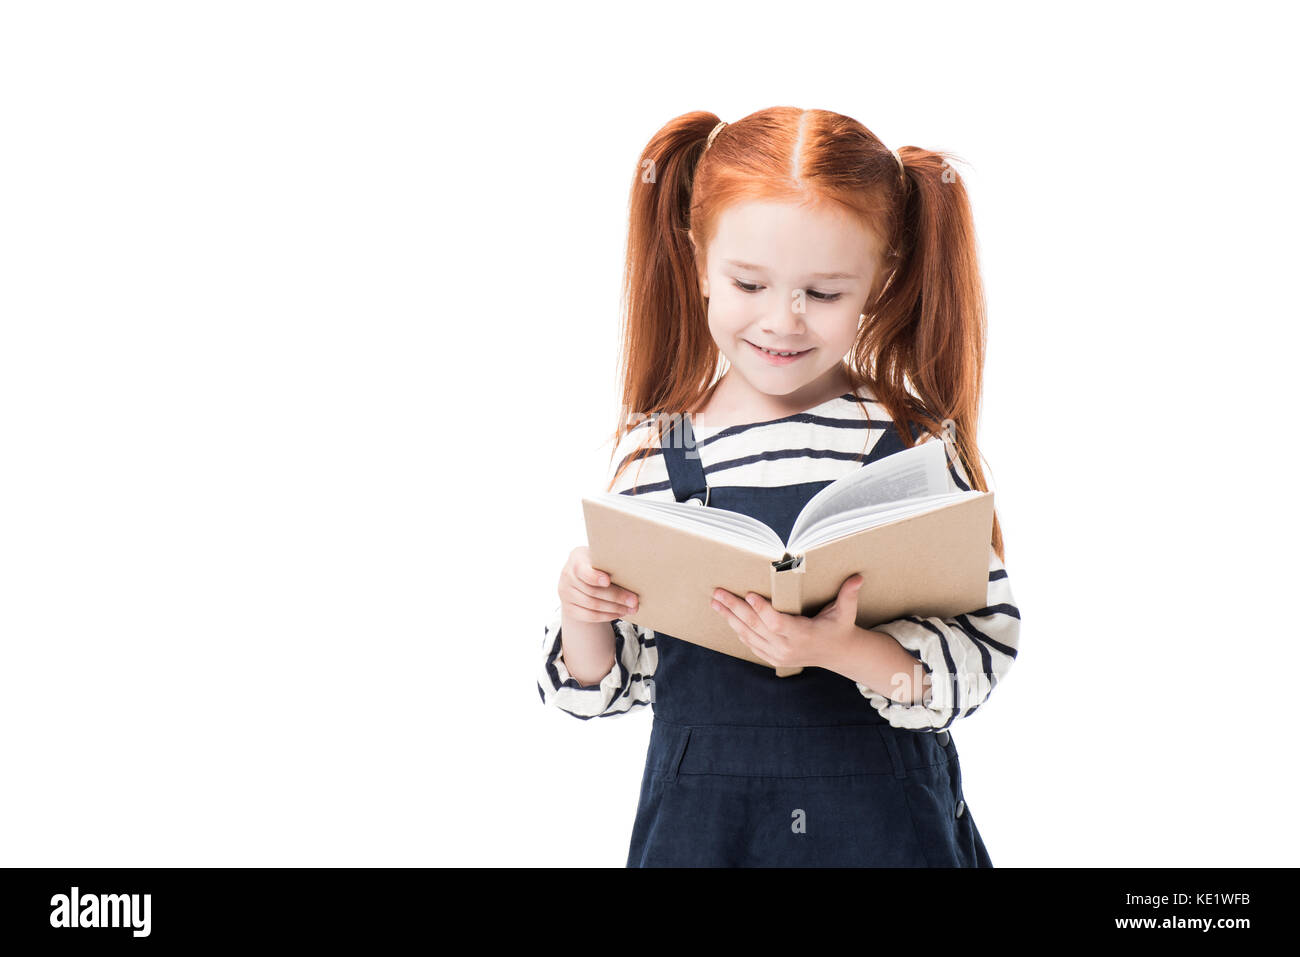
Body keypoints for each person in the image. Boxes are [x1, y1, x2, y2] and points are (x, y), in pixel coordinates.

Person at [536, 107, 1021, 867]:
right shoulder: (657, 457)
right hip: (708, 839)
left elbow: (982, 654)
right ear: (698, 260)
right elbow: (600, 686)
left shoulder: (915, 448)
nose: (782, 321)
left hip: (888, 836)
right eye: (749, 282)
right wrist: (582, 612)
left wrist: (848, 650)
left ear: (881, 279)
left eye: (823, 293)